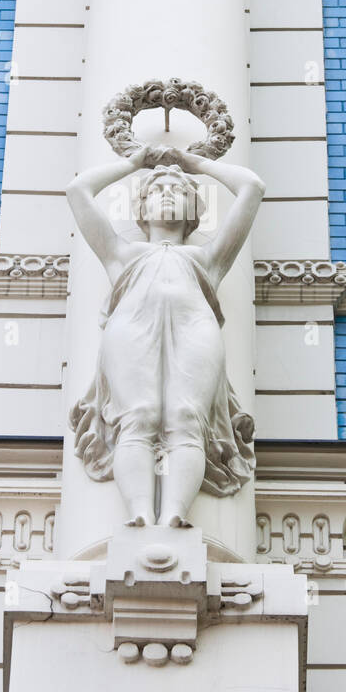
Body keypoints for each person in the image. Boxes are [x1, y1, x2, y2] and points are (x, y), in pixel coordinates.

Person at [67, 144, 265, 527]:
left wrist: (198, 165)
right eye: (158, 191)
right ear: (141, 208)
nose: (168, 195)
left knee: (188, 417)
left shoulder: (208, 259)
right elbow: (78, 191)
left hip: (195, 329)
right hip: (131, 329)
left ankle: (175, 516)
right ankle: (140, 514)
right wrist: (133, 163)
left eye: (179, 191)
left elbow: (252, 187)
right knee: (138, 415)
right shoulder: (121, 254)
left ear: (194, 211)